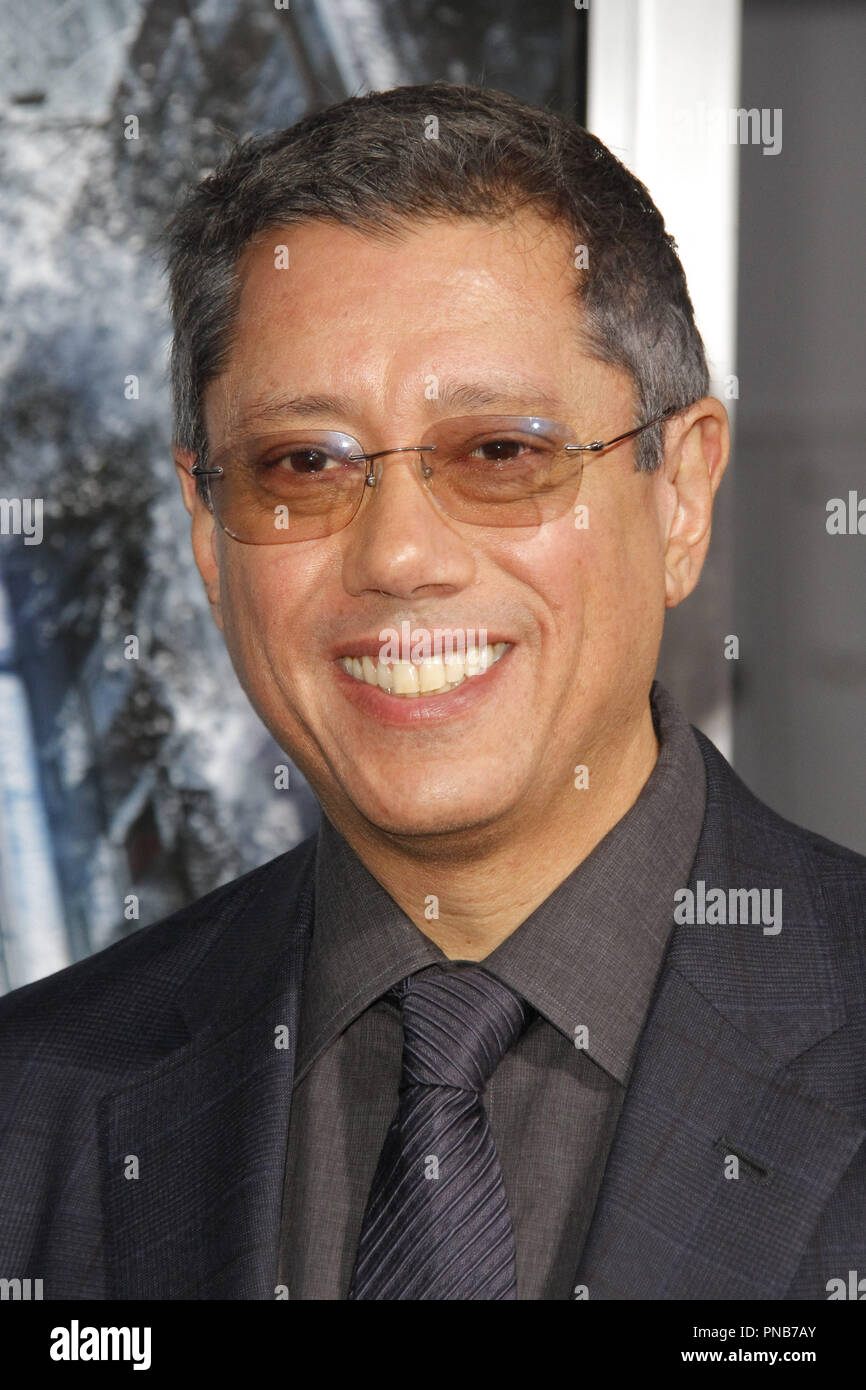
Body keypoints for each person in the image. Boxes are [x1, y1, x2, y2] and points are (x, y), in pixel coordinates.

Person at [0, 81, 863, 1302]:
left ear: (680, 495)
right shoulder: (31, 1112)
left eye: (500, 453)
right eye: (303, 464)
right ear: (207, 529)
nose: (399, 555)